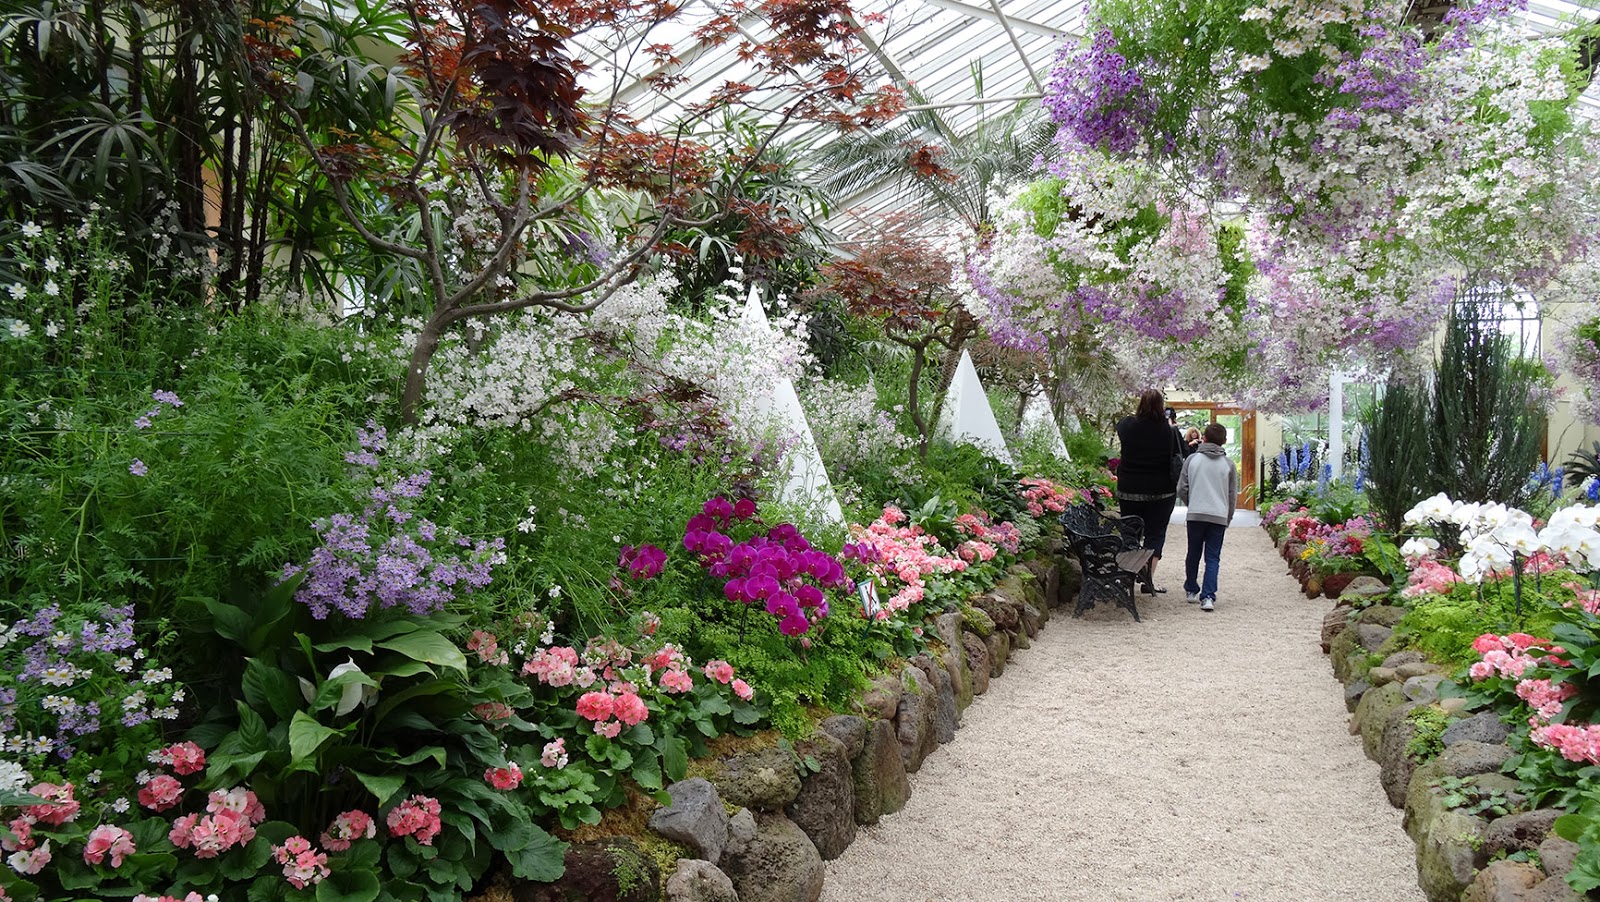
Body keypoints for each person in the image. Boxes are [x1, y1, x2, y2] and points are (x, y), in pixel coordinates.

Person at [1116, 390, 1182, 594]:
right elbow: (1180, 455)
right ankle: (1148, 580)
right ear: (1162, 406)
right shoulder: (1169, 431)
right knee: (1155, 534)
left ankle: (1127, 577)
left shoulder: (1127, 426)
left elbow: (1122, 428)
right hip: (1161, 491)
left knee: (1130, 532)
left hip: (1129, 489)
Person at [1177, 422, 1240, 613]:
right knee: (1213, 557)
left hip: (1196, 514)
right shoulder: (1228, 465)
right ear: (1224, 441)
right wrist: (1228, 517)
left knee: (1193, 553)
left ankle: (1191, 589)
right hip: (1218, 516)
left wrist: (1192, 502)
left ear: (1203, 438)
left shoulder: (1192, 460)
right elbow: (1232, 496)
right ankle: (1208, 596)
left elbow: (1181, 488)